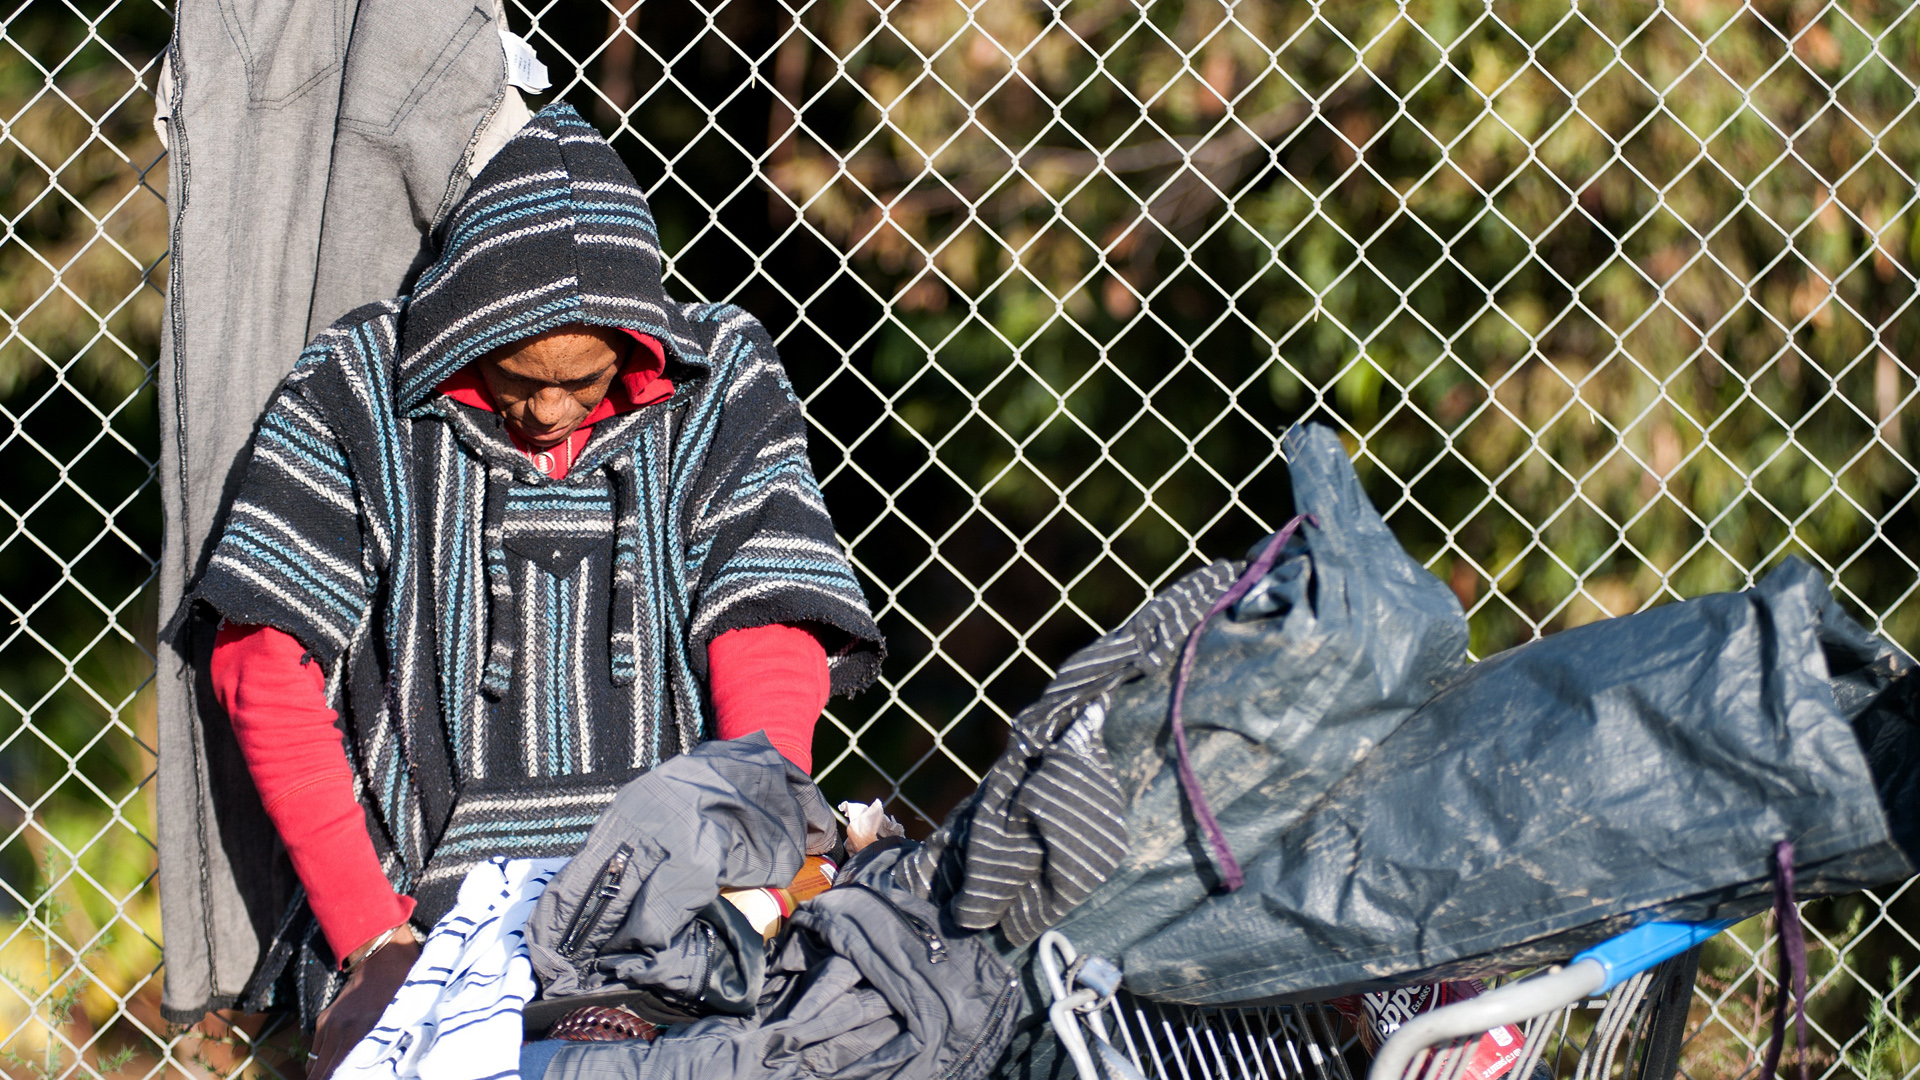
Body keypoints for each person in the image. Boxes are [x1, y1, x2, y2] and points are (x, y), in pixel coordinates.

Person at [189, 103, 883, 1076]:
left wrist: (749, 860)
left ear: (635, 346)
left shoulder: (718, 379)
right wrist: (372, 943)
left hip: (674, 886)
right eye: (518, 376)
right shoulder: (359, 389)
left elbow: (765, 614)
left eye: (587, 380)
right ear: (468, 330)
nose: (550, 411)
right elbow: (263, 659)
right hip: (417, 903)